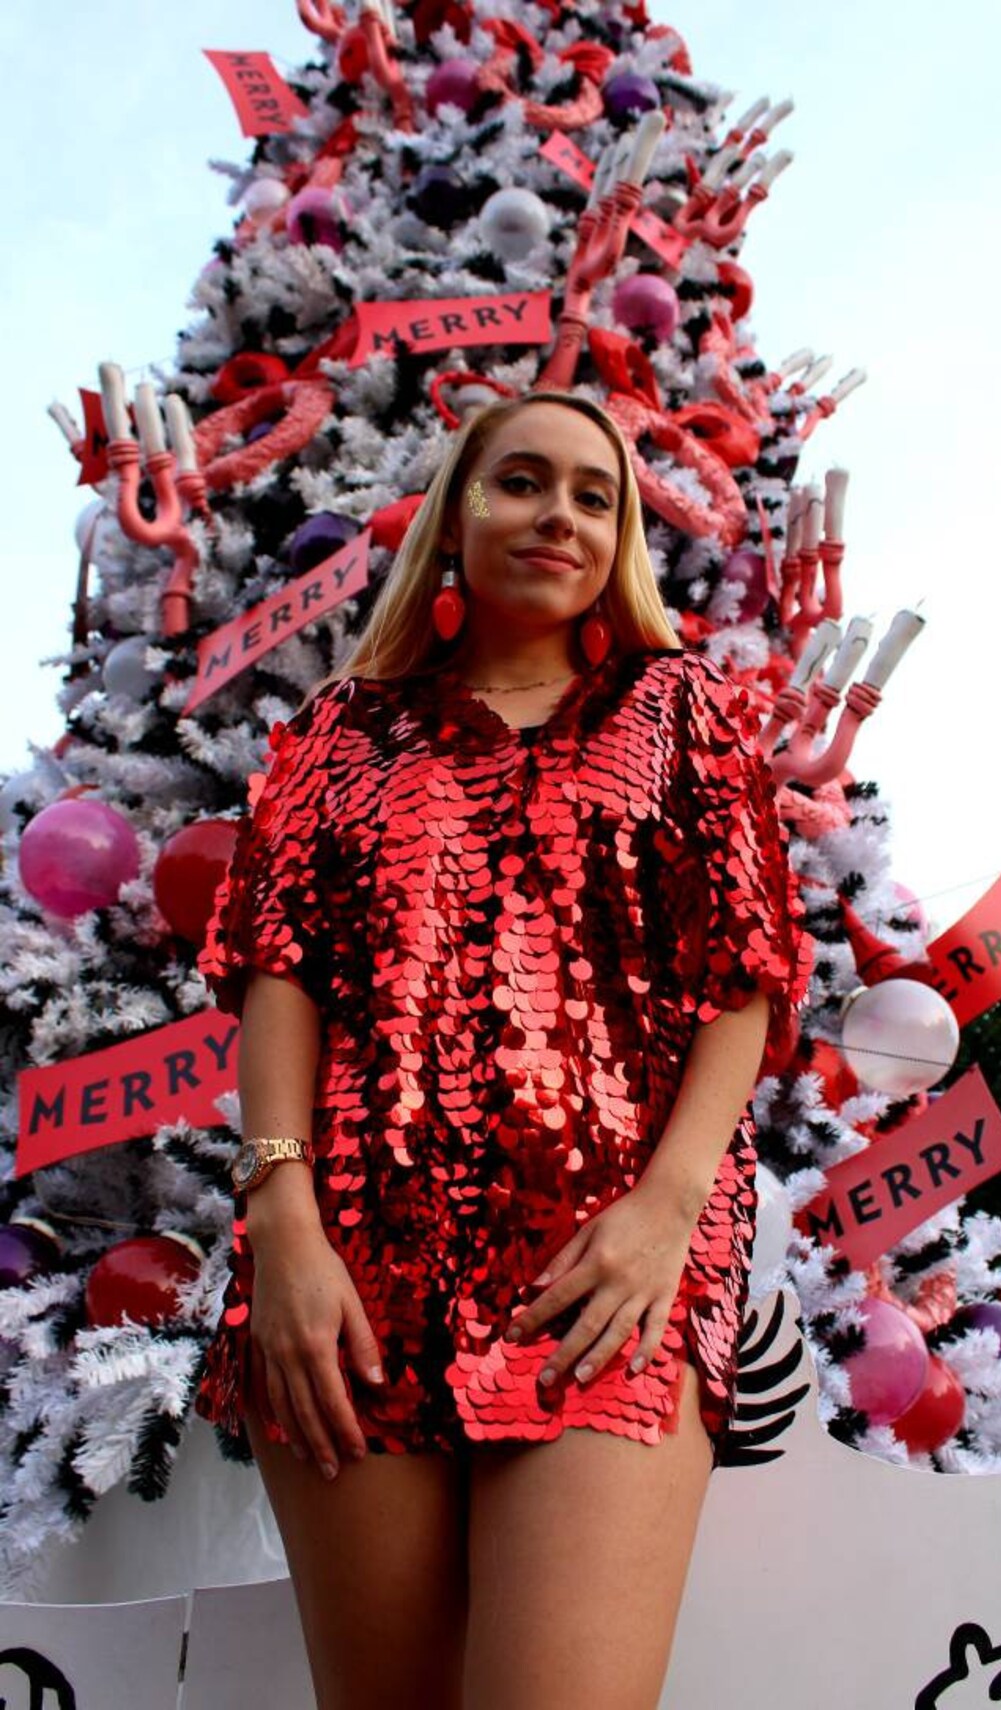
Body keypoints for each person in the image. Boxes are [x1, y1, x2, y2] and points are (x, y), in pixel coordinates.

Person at [194, 390, 810, 1710]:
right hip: (350, 1275)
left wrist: (669, 1208)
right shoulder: (339, 738)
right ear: (455, 517)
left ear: (622, 540)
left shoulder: (681, 711)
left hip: (609, 1270)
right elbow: (277, 973)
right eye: (522, 481)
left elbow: (745, 981)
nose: (560, 514)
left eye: (596, 496)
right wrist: (285, 1224)